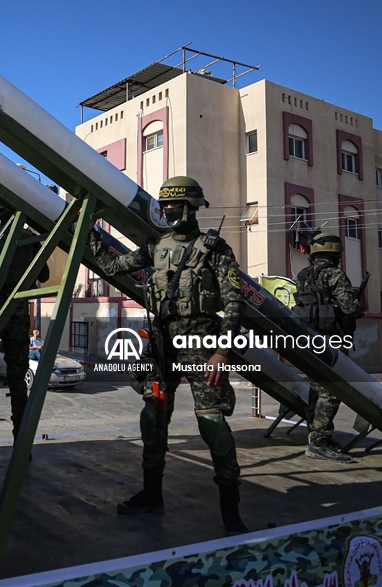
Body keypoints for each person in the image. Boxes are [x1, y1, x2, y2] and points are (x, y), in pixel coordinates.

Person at [87, 176, 248, 535]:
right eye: (165, 207)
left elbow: (235, 303)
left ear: (192, 208)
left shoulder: (216, 249)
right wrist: (88, 233)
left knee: (213, 426)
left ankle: (230, 510)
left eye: (176, 206)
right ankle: (151, 493)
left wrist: (222, 352)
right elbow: (113, 267)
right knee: (153, 417)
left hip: (202, 342)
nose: (169, 212)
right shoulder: (154, 247)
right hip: (162, 341)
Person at [0, 203, 49, 469]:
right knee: (18, 382)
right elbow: (45, 274)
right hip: (16, 314)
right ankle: (21, 448)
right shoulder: (28, 238)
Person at [293, 232, 364, 465]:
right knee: (332, 389)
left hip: (309, 338)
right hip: (332, 339)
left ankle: (316, 435)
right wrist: (357, 307)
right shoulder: (335, 274)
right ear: (336, 254)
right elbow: (348, 306)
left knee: (316, 388)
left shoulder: (303, 275)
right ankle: (320, 443)